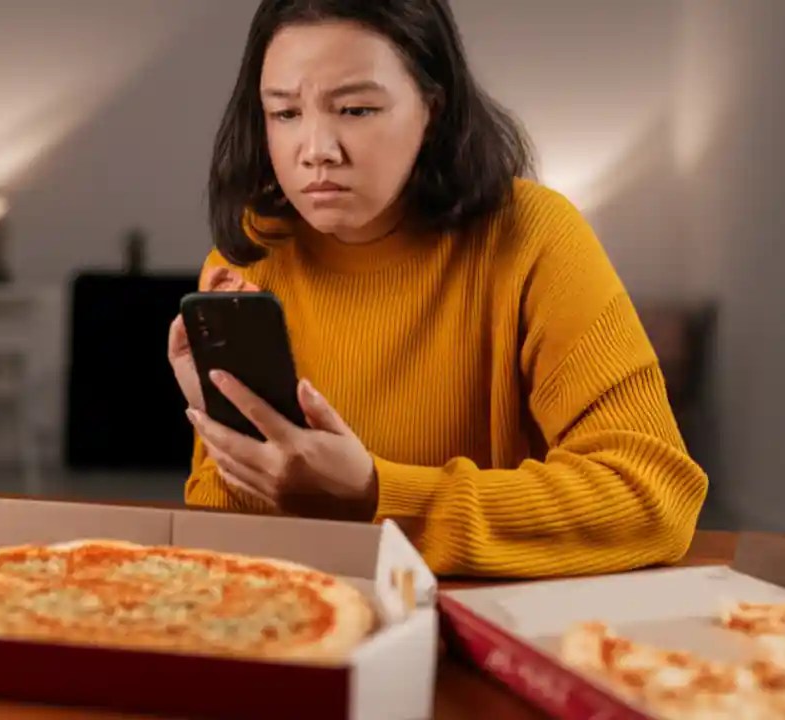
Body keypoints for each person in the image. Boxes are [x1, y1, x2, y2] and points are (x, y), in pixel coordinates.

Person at [166, 0, 708, 578]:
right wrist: (232, 433)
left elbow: (656, 497)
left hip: (491, 618)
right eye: (285, 114)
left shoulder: (533, 236)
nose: (317, 149)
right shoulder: (251, 254)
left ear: (433, 106)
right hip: (314, 618)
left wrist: (376, 494)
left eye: (355, 109)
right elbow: (226, 548)